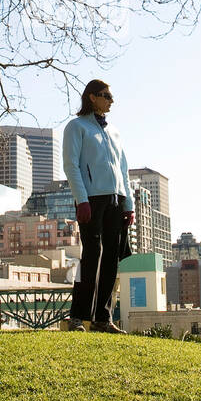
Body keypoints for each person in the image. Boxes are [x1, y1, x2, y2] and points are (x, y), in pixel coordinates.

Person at [62, 79, 135, 333]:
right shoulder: (76, 127)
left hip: (115, 200)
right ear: (92, 97)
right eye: (106, 95)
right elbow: (71, 165)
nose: (111, 100)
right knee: (92, 256)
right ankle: (77, 317)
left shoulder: (114, 131)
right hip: (91, 199)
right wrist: (81, 199)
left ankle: (103, 318)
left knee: (112, 259)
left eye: (111, 96)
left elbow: (123, 169)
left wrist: (129, 203)